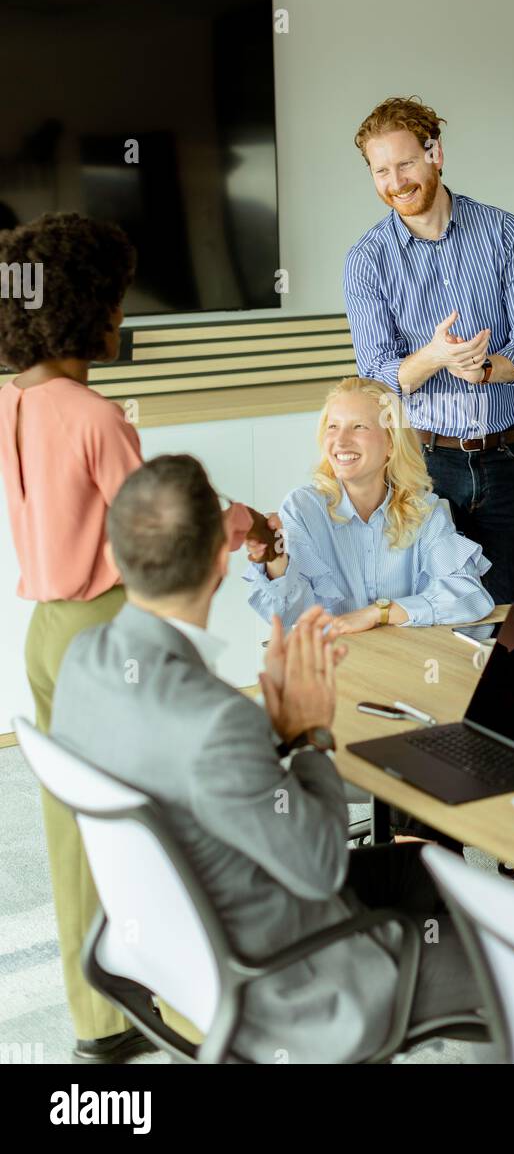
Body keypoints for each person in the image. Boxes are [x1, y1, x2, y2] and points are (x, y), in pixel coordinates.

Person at [51, 455, 483, 1063]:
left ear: (118, 557)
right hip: (285, 976)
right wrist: (309, 736)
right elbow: (322, 866)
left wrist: (274, 734)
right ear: (215, 565)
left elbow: (197, 776)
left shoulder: (87, 657)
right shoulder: (216, 722)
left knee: (429, 868)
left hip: (186, 940)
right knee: (507, 956)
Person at [0, 211, 253, 1062]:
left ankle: (98, 1023)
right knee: (166, 819)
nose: (121, 318)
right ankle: (184, 1007)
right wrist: (252, 522)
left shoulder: (13, 400)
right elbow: (165, 531)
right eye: (112, 300)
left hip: (45, 633)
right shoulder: (95, 414)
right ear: (81, 306)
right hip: (111, 631)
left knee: (75, 825)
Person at [344, 96, 514, 605]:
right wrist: (436, 356)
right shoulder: (366, 261)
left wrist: (486, 369)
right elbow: (374, 377)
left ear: (435, 153)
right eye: (381, 171)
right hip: (422, 465)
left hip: (505, 458)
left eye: (406, 163)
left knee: (512, 615)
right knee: (429, 614)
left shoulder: (504, 233)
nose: (395, 182)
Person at [243, 376, 494, 633]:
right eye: (333, 427)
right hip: (334, 665)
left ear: (391, 443)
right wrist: (276, 559)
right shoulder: (303, 508)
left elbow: (471, 598)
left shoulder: (424, 510)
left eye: (359, 427)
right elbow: (282, 616)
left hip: (405, 663)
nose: (340, 441)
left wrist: (378, 612)